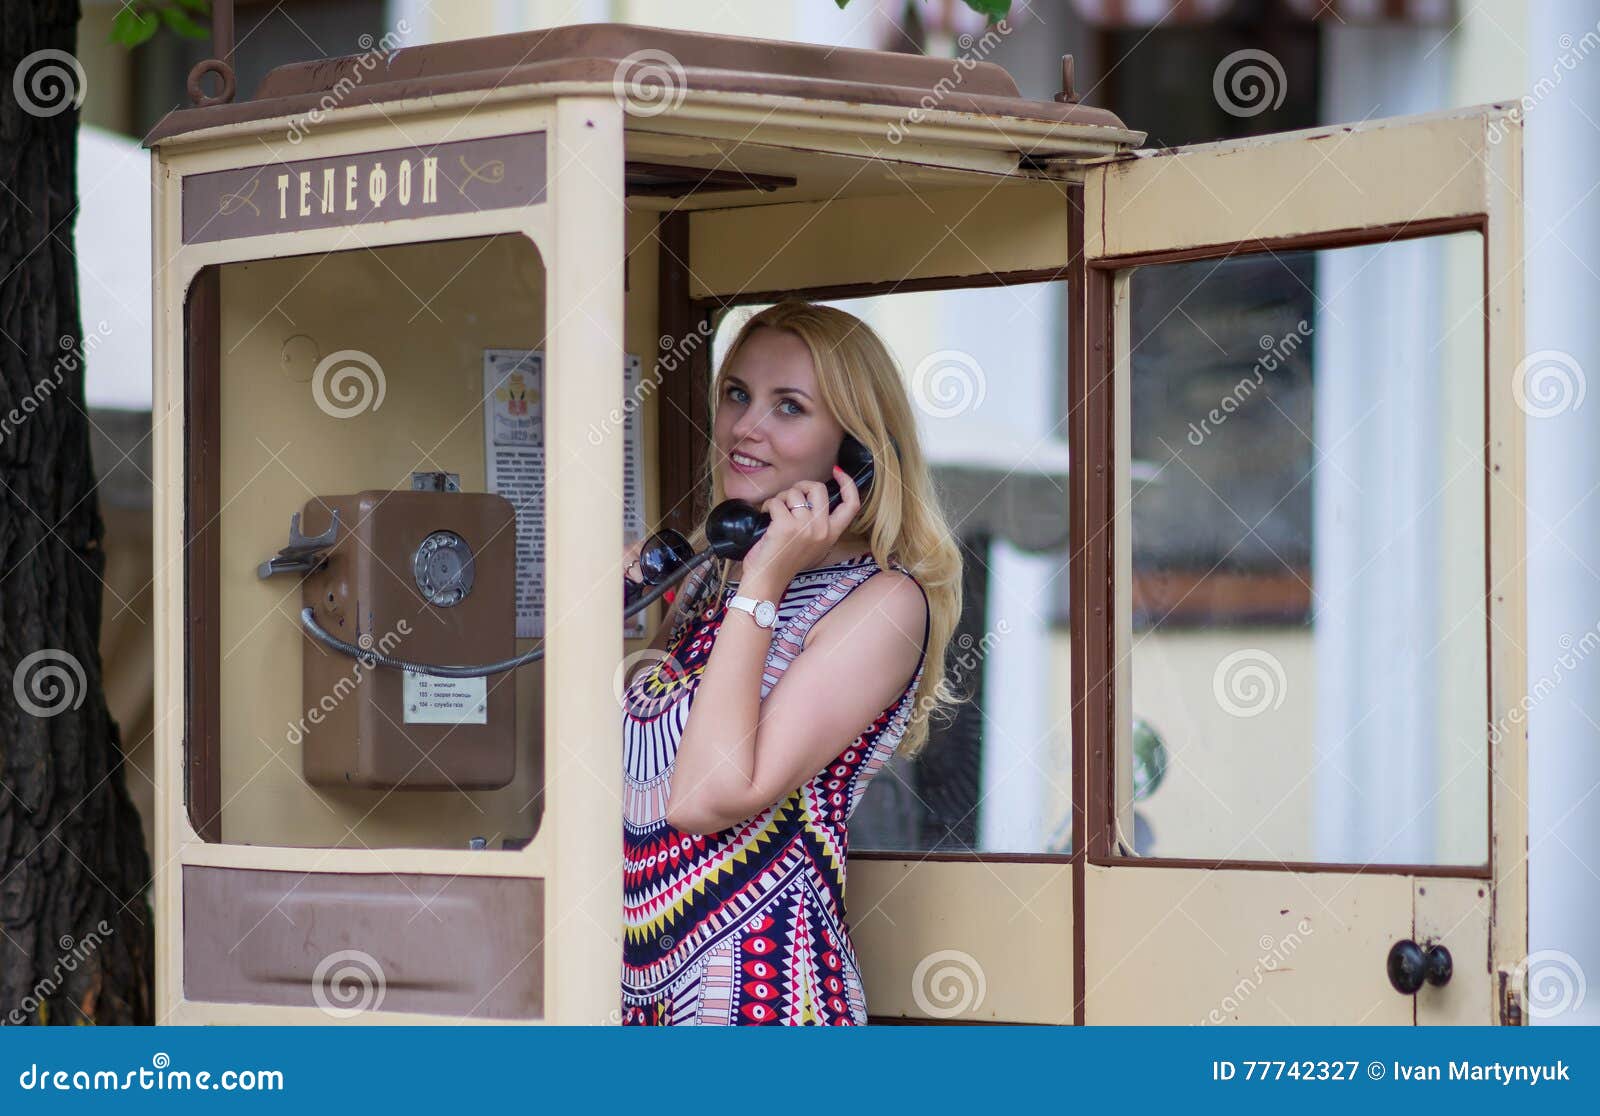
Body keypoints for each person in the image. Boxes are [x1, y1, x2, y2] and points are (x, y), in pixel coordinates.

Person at [618, 299, 962, 1025]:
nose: (747, 427)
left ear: (854, 455)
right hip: (637, 1000)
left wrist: (765, 582)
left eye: (789, 407)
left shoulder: (880, 605)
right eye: (738, 394)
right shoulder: (713, 583)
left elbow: (705, 798)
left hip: (761, 998)